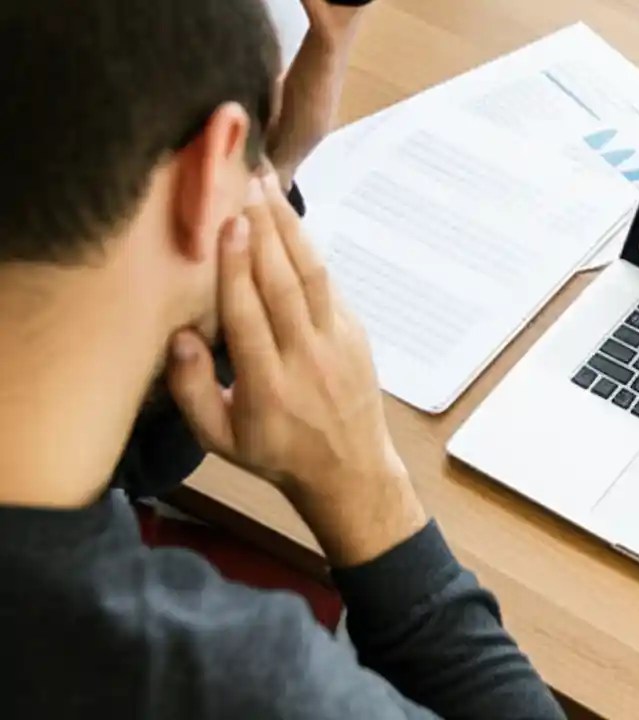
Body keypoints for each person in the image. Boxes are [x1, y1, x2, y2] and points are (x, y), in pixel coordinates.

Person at [0, 1, 565, 718]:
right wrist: (369, 499)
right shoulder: (244, 685)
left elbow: (122, 463)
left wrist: (276, 161)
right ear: (212, 165)